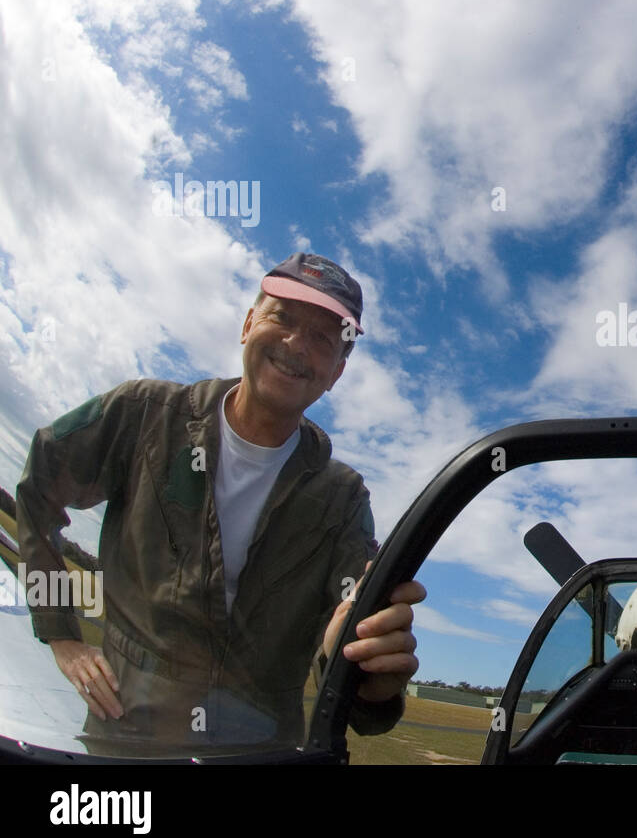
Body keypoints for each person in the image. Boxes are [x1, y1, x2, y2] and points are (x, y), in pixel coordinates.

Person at [15, 252, 425, 756]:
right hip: (125, 742)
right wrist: (60, 633)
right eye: (283, 318)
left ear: (337, 372)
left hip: (259, 753)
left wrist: (368, 667)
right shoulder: (143, 416)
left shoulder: (342, 498)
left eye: (324, 338)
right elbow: (38, 489)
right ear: (249, 323)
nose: (298, 344)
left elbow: (348, 635)